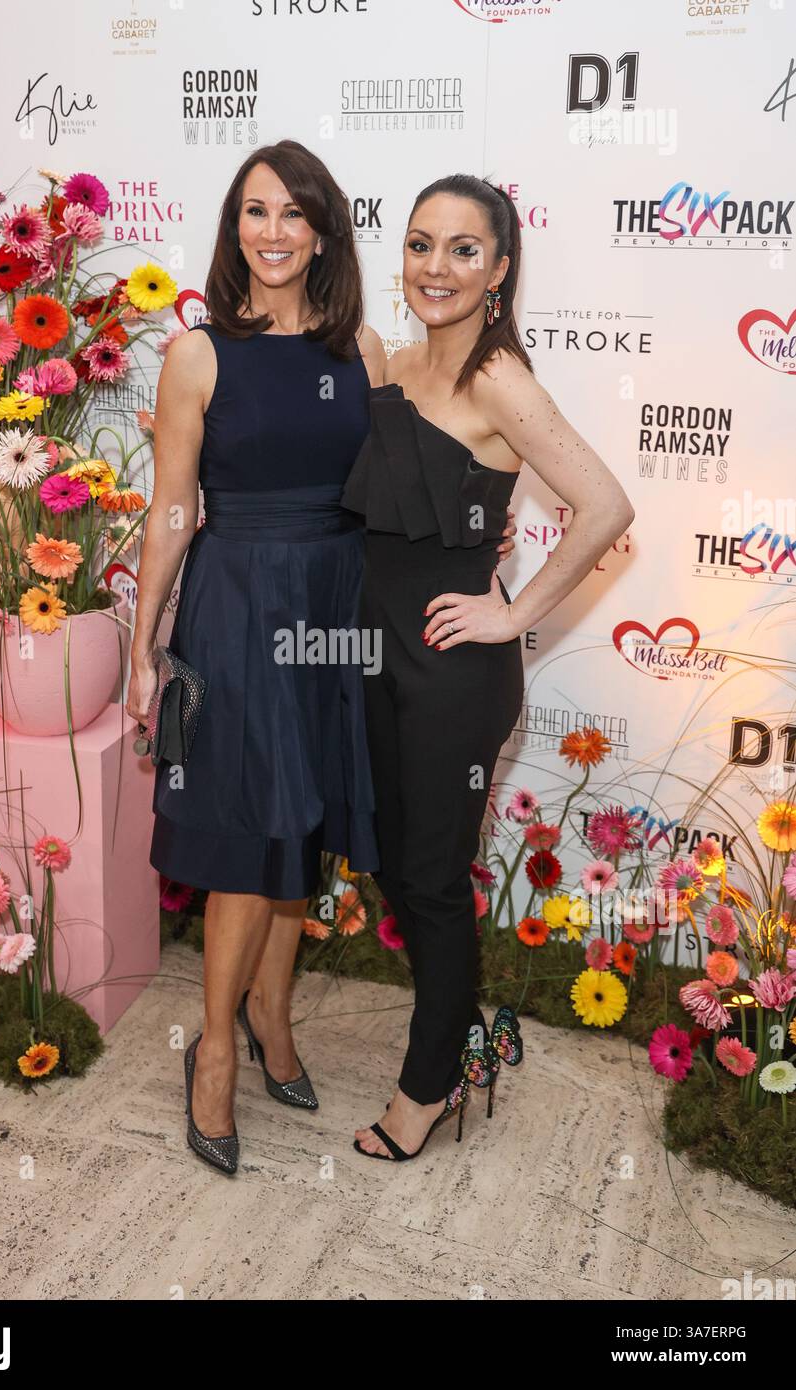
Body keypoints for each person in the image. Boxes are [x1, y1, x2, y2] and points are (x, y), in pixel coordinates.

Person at [126, 143, 520, 1175]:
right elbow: (171, 512)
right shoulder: (198, 355)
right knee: (254, 828)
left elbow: (420, 481)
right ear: (233, 228)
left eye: (294, 213)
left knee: (306, 816)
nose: (272, 232)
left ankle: (271, 1011)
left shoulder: (367, 351)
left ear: (323, 232)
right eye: (254, 212)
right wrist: (144, 645)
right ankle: (213, 1053)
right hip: (240, 602)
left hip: (342, 606)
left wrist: (483, 560)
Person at [343, 174, 635, 1161]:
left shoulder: (497, 378)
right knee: (395, 865)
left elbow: (603, 505)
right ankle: (456, 1040)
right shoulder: (403, 362)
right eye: (421, 244)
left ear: (500, 269)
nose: (436, 266)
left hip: (449, 674)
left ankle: (431, 1087)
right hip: (377, 655)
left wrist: (509, 610)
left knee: (428, 880)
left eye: (463, 250)